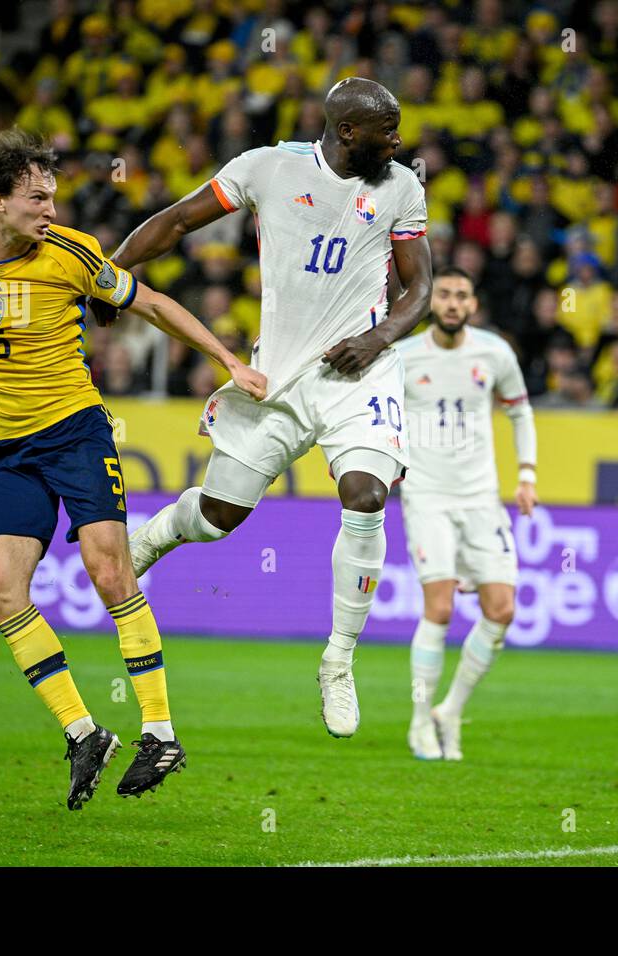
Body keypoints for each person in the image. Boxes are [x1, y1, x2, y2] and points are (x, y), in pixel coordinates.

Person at [0, 129, 265, 810]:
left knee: (109, 571)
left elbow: (154, 304)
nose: (50, 209)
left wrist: (228, 361)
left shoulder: (73, 254)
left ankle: (160, 732)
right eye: (36, 198)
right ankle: (84, 733)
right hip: (1, 450)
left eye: (53, 196)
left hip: (75, 433)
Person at [96, 78, 432, 739]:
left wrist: (376, 338)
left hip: (358, 374)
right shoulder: (268, 168)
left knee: (365, 495)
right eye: (385, 131)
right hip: (276, 375)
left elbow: (419, 289)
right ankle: (162, 533)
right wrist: (113, 272)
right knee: (221, 517)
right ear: (345, 134)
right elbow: (178, 219)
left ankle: (339, 659)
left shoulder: (400, 188)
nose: (398, 141)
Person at [393, 267, 537, 760]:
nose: (453, 303)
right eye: (446, 295)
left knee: (502, 609)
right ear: (432, 302)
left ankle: (449, 710)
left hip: (481, 499)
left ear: (473, 305)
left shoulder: (494, 353)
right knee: (440, 608)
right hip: (427, 496)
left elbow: (520, 410)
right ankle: (418, 722)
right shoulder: (403, 357)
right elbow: (379, 413)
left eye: (462, 296)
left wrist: (528, 475)